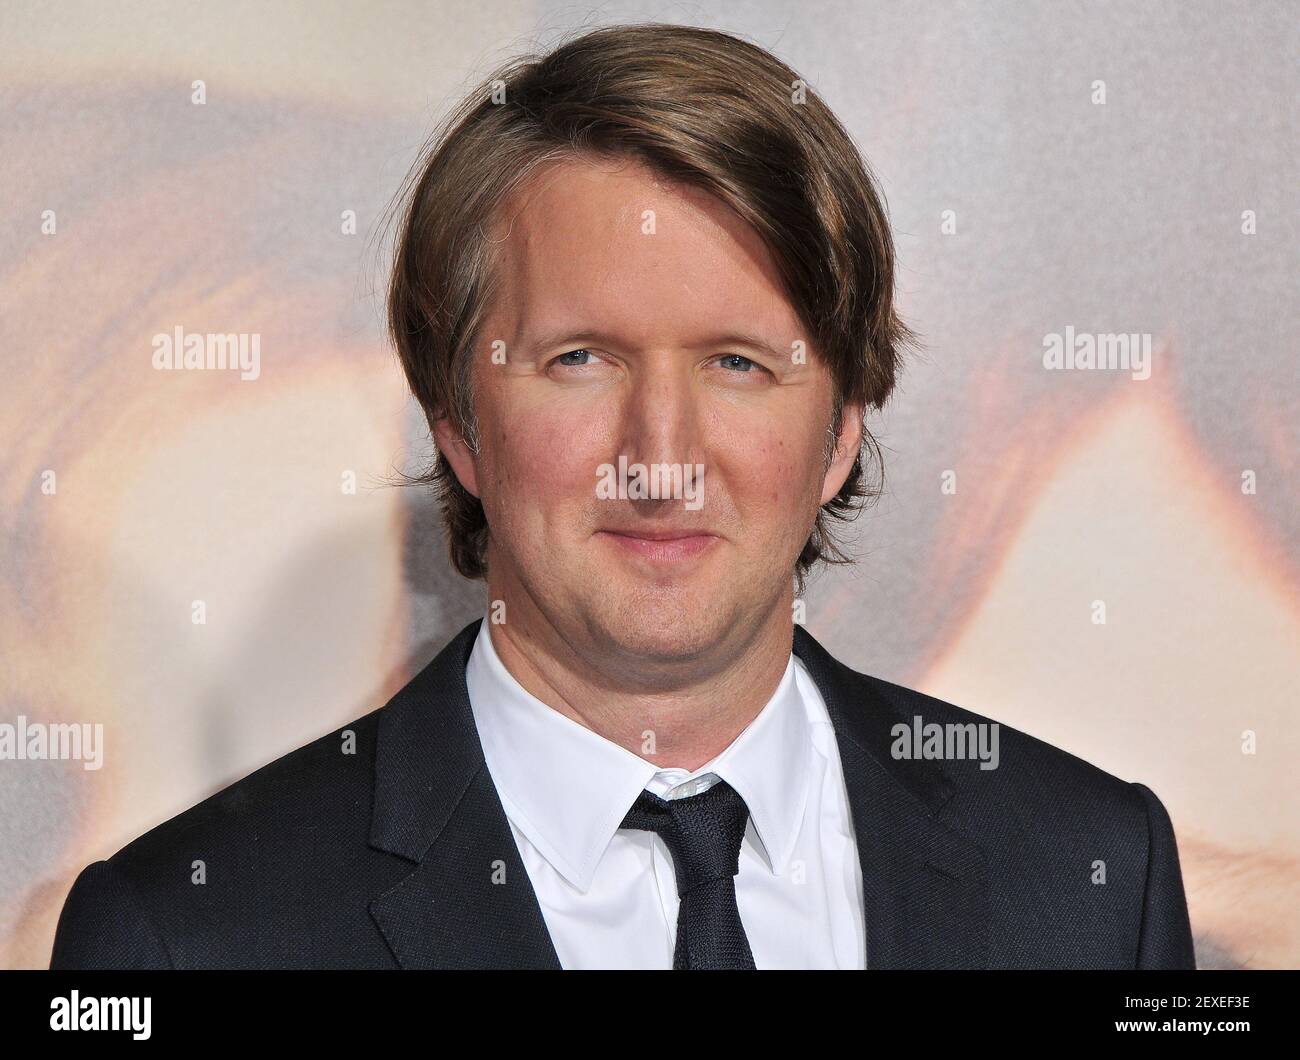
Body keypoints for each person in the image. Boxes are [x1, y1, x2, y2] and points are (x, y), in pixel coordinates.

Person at [49, 22, 1195, 970]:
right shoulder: (185, 937)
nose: (660, 454)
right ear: (458, 423)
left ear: (843, 428)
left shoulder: (1092, 878)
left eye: (737, 363)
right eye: (580, 359)